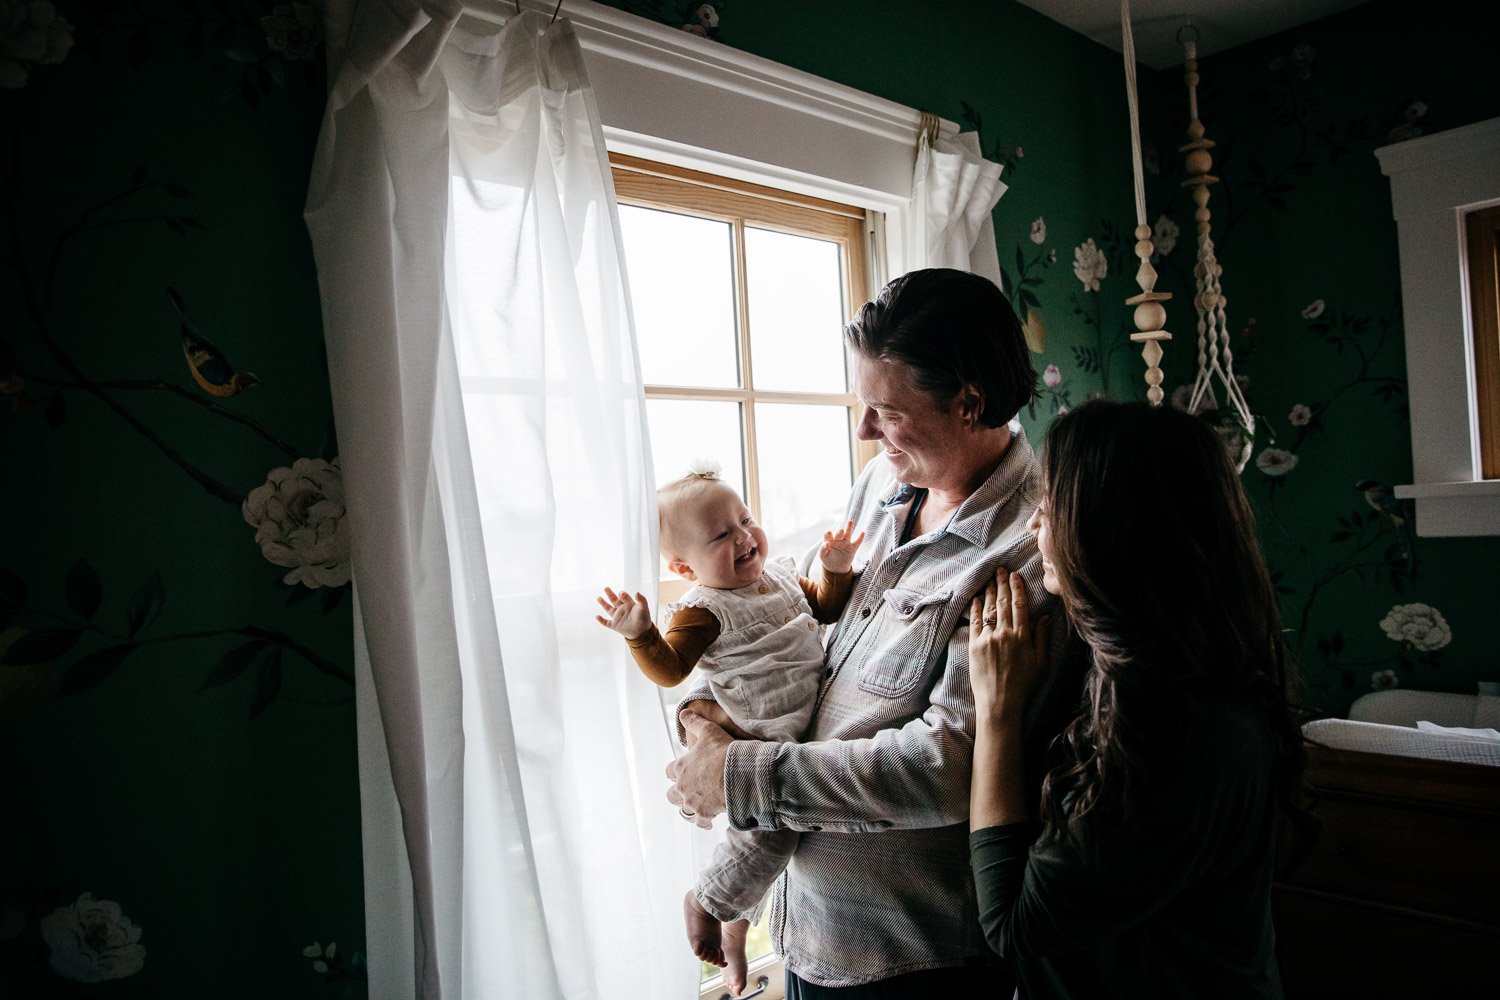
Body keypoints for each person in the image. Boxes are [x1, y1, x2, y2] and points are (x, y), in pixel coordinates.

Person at [665, 268, 1076, 997]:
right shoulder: (880, 485)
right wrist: (705, 725)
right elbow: (801, 665)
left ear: (970, 401)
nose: (863, 431)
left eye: (884, 411)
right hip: (809, 928)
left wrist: (737, 777)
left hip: (913, 961)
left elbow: (945, 766)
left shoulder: (1030, 550)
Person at [967, 400, 1305, 999]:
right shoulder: (1134, 667)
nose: (1033, 525)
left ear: (1114, 526)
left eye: (1054, 504)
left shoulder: (1184, 732)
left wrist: (997, 709)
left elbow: (1014, 925)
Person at [595, 465, 864, 995]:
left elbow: (828, 609)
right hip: (757, 734)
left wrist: (836, 569)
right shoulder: (704, 611)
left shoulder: (783, 577)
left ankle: (736, 939)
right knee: (767, 835)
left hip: (797, 728)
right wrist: (641, 633)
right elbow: (671, 670)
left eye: (745, 519)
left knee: (771, 846)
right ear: (682, 565)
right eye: (721, 535)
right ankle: (707, 901)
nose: (744, 536)